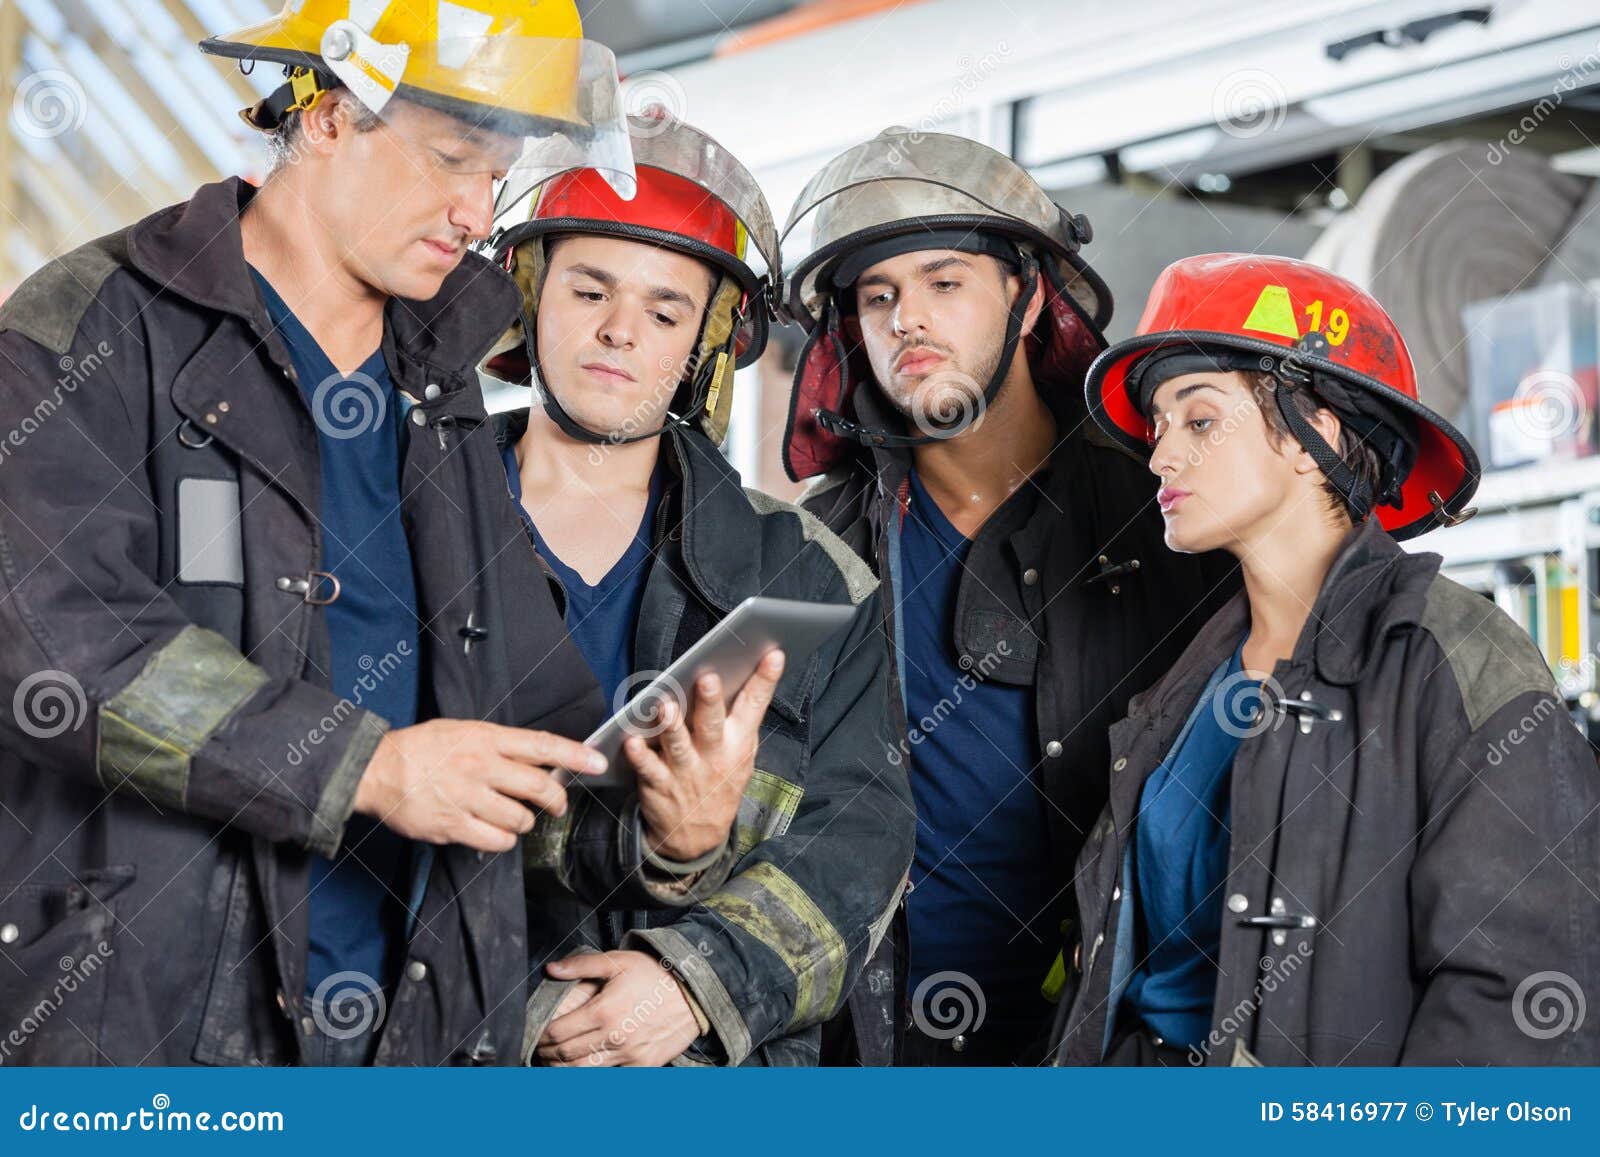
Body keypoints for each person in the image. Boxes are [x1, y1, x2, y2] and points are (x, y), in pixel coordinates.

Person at [0, 2, 741, 1067]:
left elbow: (533, 719)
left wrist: (662, 835)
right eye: (452, 159)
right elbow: (62, 645)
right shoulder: (90, 328)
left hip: (407, 1038)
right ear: (331, 118)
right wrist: (365, 768)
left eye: (497, 176)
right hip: (147, 1033)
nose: (476, 210)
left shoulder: (434, 389)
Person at [1053, 252, 1600, 1065]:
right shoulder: (1179, 690)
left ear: (1318, 436)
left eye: (1199, 421)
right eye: (1159, 426)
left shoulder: (1457, 665)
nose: (1161, 457)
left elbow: (1516, 1010)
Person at [780, 128, 1238, 1065]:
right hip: (873, 1050)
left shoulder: (1170, 516)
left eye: (944, 282)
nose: (908, 319)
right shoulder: (810, 548)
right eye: (879, 296)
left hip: (1106, 1050)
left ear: (1027, 297)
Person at [482, 112, 915, 1066]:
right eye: (589, 287)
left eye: (666, 310)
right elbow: (336, 811)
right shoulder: (401, 520)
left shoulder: (810, 574)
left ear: (711, 341)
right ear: (527, 293)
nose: (617, 332)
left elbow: (862, 844)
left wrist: (695, 981)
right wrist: (514, 1015)